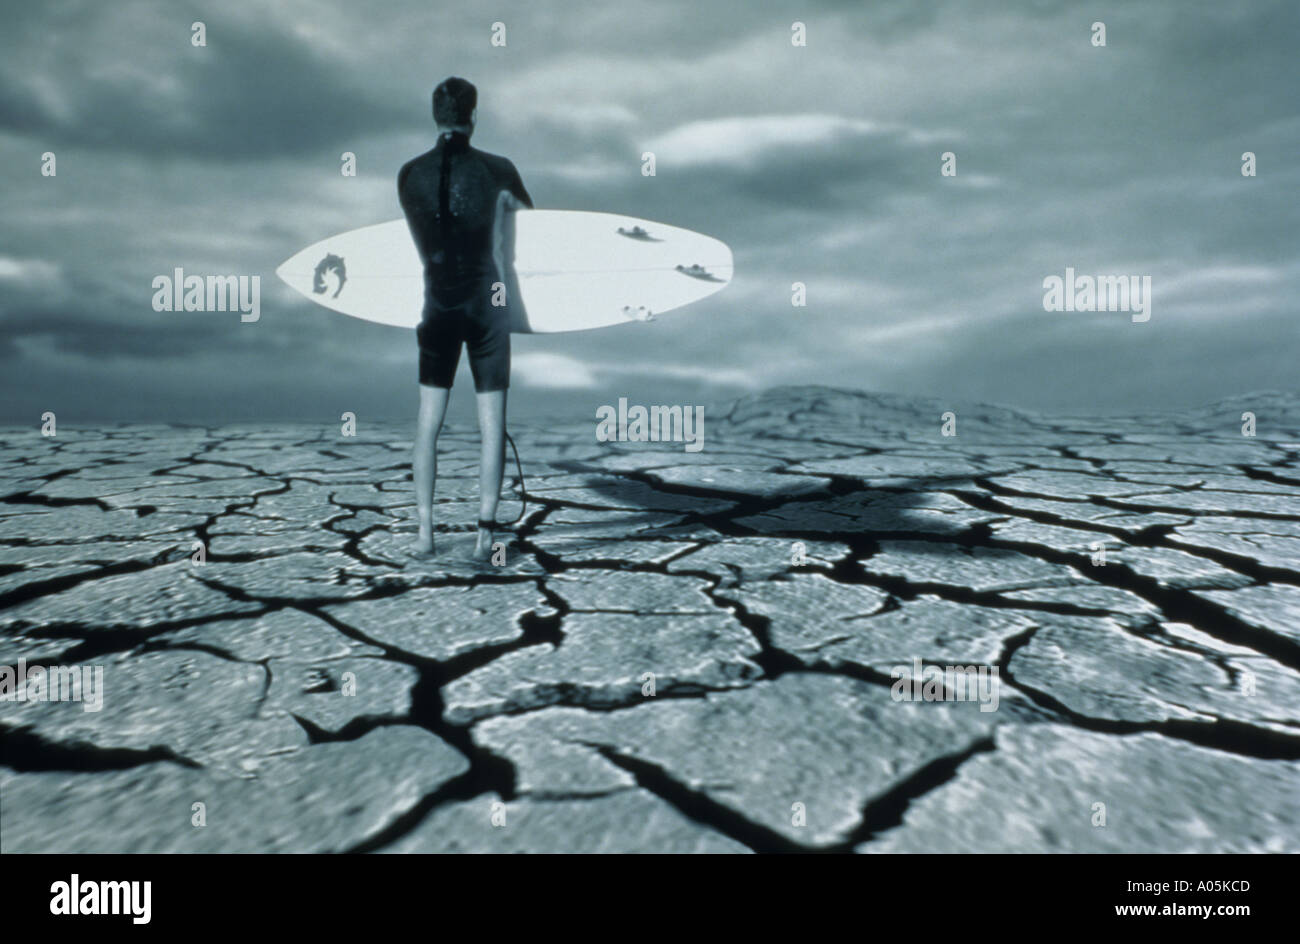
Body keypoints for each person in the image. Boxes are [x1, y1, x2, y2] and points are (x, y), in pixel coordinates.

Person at [397, 77, 533, 560]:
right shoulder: (499, 170)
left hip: (436, 305)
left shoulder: (407, 174)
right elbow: (531, 228)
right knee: (490, 423)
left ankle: (425, 536)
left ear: (435, 116)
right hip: (486, 303)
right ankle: (484, 539)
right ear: (474, 116)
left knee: (427, 423)